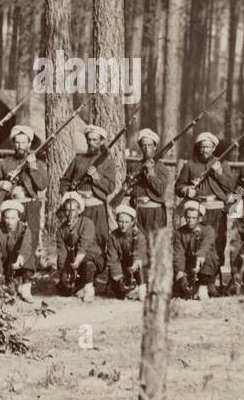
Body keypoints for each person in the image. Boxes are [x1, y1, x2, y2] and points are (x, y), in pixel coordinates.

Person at [0, 124, 47, 251]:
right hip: (10, 206)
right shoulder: (5, 163)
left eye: (24, 142)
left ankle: (29, 268)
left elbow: (42, 186)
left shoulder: (37, 163)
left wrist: (33, 169)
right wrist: (0, 184)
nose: (20, 146)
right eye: (17, 142)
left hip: (31, 206)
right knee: (10, 239)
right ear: (13, 144)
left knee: (32, 239)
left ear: (29, 144)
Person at [62, 123, 118, 261]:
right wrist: (70, 192)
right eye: (89, 139)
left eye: (95, 140)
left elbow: (110, 187)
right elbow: (64, 181)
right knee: (77, 238)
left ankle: (98, 272)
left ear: (102, 141)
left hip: (97, 209)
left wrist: (96, 178)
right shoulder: (78, 160)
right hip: (78, 209)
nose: (91, 143)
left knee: (99, 239)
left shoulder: (108, 162)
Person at [176, 132, 235, 263]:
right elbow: (179, 186)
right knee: (196, 241)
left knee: (218, 241)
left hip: (217, 210)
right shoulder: (189, 165)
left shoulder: (223, 165)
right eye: (202, 146)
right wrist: (186, 190)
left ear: (214, 148)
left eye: (208, 147)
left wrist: (219, 174)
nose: (205, 150)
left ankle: (213, 276)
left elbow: (231, 187)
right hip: (197, 210)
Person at [55, 191, 102, 302]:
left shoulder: (87, 223)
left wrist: (78, 260)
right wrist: (63, 271)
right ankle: (79, 285)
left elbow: (84, 244)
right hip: (73, 261)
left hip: (91, 258)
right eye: (67, 210)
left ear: (79, 211)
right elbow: (62, 252)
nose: (70, 214)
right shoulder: (61, 230)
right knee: (66, 290)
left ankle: (89, 288)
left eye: (73, 210)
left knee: (87, 261)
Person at [0, 199, 36, 303]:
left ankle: (26, 288)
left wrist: (20, 260)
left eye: (13, 218)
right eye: (7, 218)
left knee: (30, 257)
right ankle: (9, 284)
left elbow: (26, 247)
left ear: (18, 217)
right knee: (2, 291)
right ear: (3, 217)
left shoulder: (24, 229)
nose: (10, 222)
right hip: (4, 264)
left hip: (19, 263)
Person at [125, 128, 169, 232]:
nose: (146, 148)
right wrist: (128, 189)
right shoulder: (134, 166)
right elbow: (128, 188)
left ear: (155, 147)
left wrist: (150, 172)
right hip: (137, 210)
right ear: (140, 147)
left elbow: (160, 190)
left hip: (154, 212)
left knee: (153, 245)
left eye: (149, 145)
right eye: (143, 145)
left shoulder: (160, 167)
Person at [172, 199, 217, 300]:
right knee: (180, 291)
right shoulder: (179, 232)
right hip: (189, 266)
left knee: (209, 254)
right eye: (188, 217)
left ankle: (204, 286)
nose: (190, 220)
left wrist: (200, 257)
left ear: (199, 218)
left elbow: (206, 245)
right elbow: (179, 253)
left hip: (205, 265)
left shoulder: (208, 230)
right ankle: (191, 287)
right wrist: (180, 272)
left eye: (193, 218)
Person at [105, 204, 149, 300]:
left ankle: (142, 287)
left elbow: (140, 251)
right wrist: (119, 278)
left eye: (126, 222)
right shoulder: (113, 236)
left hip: (135, 267)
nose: (123, 225)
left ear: (132, 222)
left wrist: (135, 264)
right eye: (120, 221)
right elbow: (112, 259)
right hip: (122, 268)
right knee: (120, 293)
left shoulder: (138, 235)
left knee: (141, 265)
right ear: (116, 221)